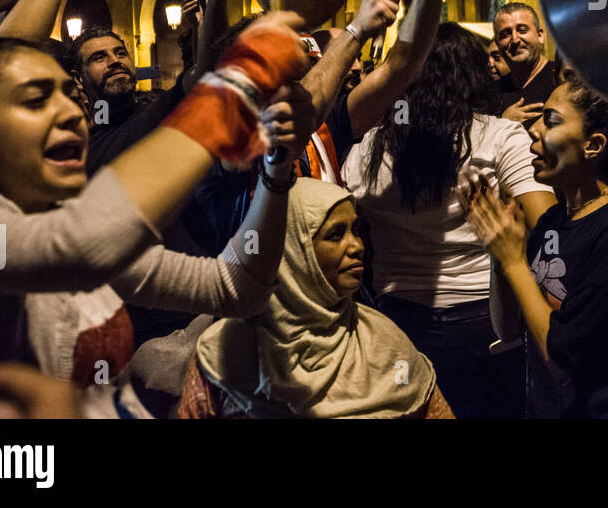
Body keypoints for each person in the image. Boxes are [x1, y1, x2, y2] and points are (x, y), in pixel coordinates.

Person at [0, 13, 311, 418]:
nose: (71, 114)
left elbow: (235, 289)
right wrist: (240, 82)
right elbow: (81, 243)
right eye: (35, 100)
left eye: (69, 94)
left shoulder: (65, 223)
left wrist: (275, 170)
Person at [341, 24, 555, 418]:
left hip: (396, 324)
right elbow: (547, 223)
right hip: (486, 320)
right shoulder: (501, 136)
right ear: (473, 75)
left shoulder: (369, 148)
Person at [463, 74, 608, 418]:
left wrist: (514, 261)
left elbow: (563, 360)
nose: (533, 130)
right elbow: (510, 329)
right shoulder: (553, 222)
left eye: (552, 121)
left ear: (594, 145)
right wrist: (498, 253)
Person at [183, 178, 452, 418]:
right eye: (336, 235)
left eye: (355, 231)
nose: (357, 246)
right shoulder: (225, 352)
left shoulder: (384, 343)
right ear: (290, 249)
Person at [492, 2, 559, 128]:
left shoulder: (560, 79)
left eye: (522, 30)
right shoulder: (492, 93)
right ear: (497, 44)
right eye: (505, 34)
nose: (515, 39)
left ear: (540, 36)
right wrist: (502, 123)